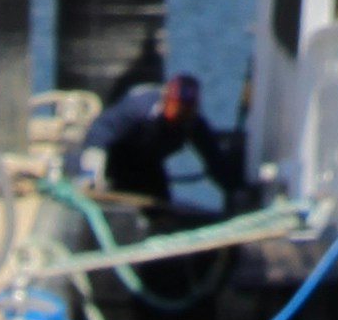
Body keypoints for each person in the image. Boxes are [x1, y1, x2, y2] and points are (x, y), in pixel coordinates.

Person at [80, 65, 250, 224]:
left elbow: (214, 159)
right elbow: (99, 133)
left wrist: (236, 189)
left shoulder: (192, 124)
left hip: (149, 168)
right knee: (115, 209)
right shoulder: (137, 110)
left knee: (161, 212)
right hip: (115, 163)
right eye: (177, 108)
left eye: (187, 110)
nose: (180, 115)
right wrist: (92, 173)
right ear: (166, 101)